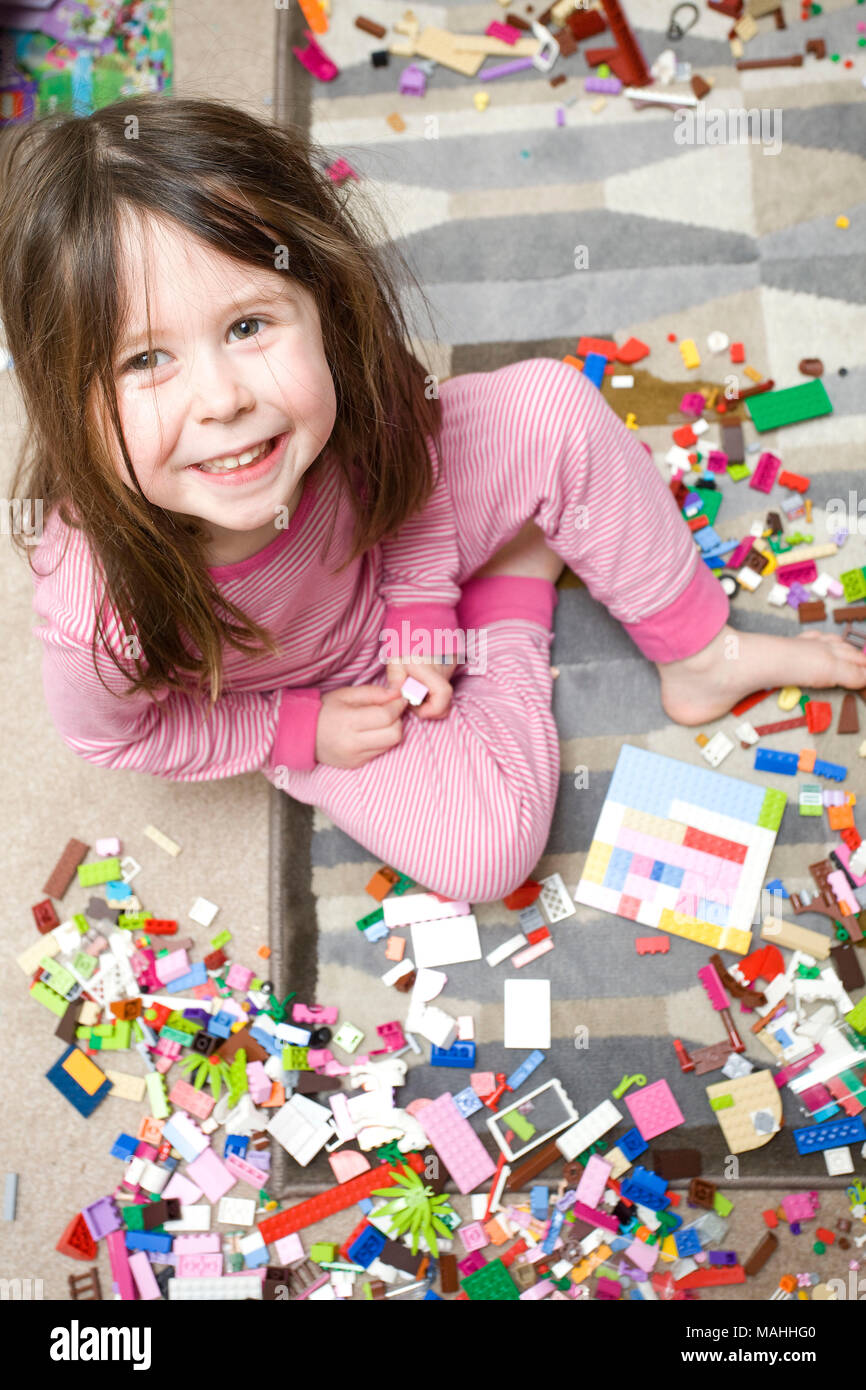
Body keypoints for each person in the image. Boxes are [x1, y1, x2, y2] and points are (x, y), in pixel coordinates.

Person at [2, 95, 863, 903]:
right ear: (61, 400)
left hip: (397, 543)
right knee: (485, 854)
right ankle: (514, 583)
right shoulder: (96, 619)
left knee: (555, 407)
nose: (223, 400)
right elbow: (119, 737)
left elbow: (405, 472)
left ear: (324, 308)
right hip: (308, 689)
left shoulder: (340, 396)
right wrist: (292, 732)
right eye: (145, 361)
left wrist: (420, 602)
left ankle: (698, 655)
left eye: (248, 327)